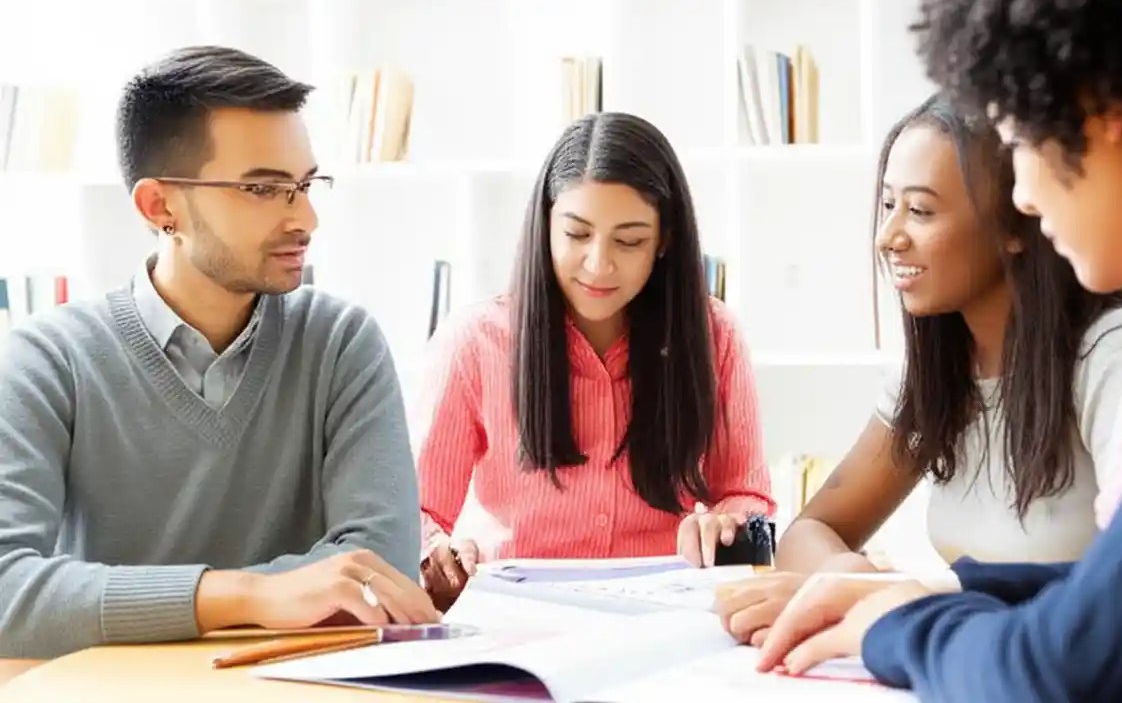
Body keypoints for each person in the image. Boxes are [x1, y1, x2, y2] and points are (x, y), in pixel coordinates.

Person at [755, 0, 1122, 699]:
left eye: (1019, 137)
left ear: (1098, 113)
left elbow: (1084, 666)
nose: (1025, 196)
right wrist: (942, 590)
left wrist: (901, 625)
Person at [0, 46, 437, 659]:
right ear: (160, 207)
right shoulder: (49, 361)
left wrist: (133, 602)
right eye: (263, 187)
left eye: (306, 185)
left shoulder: (341, 343)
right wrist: (247, 595)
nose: (305, 217)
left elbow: (383, 566)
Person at [718, 93, 1122, 647]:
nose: (888, 237)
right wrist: (854, 582)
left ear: (1018, 221)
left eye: (920, 211)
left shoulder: (1114, 355)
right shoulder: (934, 374)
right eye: (887, 205)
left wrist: (907, 598)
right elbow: (812, 531)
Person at [414, 111, 775, 607]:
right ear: (544, 226)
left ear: (665, 241)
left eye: (629, 241)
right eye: (577, 234)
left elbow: (747, 496)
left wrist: (728, 524)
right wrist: (439, 552)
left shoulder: (715, 337)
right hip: (515, 617)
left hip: (662, 616)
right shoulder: (476, 342)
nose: (599, 264)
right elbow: (416, 511)